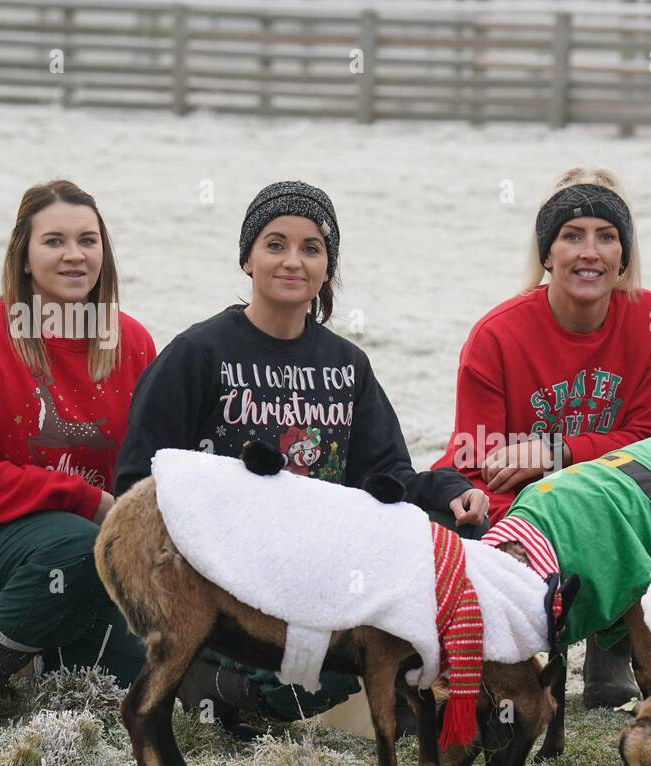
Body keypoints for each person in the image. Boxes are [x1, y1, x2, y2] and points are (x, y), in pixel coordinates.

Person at [113, 180, 486, 728]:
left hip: (320, 566)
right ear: (247, 258)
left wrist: (451, 491)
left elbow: (386, 480)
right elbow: (137, 483)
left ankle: (404, 684)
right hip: (224, 574)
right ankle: (214, 680)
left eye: (311, 248)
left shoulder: (347, 365)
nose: (293, 261)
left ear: (327, 267)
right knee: (299, 681)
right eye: (275, 244)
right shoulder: (198, 354)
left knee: (449, 541)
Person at [0, 180, 157, 730]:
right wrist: (86, 499)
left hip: (89, 560)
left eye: (88, 240)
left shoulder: (131, 342)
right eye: (54, 241)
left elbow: (148, 463)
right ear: (23, 255)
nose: (74, 254)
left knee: (144, 672)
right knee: (73, 542)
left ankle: (33, 648)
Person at [432, 167, 651, 708]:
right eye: (571, 236)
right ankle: (507, 665)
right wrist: (536, 507)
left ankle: (613, 643)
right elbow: (477, 456)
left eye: (606, 237)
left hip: (601, 489)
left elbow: (649, 436)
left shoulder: (649, 318)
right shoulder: (498, 334)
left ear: (624, 256)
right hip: (506, 493)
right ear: (546, 254)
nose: (589, 252)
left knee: (647, 499)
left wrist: (556, 452)